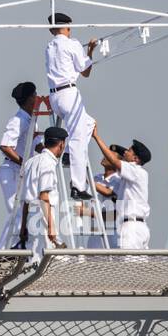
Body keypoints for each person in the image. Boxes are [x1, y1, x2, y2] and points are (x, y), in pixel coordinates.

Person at [44, 13, 98, 200]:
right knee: (78, 139)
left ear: (51, 29)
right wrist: (90, 51)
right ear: (68, 27)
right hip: (69, 93)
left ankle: (67, 155)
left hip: (55, 97)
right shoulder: (72, 44)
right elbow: (85, 71)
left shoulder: (50, 47)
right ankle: (77, 185)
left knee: (89, 123)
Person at [91, 126, 152, 249]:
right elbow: (108, 191)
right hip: (138, 227)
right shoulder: (131, 176)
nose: (125, 152)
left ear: (135, 159)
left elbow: (115, 161)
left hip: (131, 227)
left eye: (129, 151)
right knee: (139, 267)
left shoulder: (136, 170)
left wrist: (96, 137)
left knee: (127, 267)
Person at [0, 81, 39, 247]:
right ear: (30, 99)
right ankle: (0, 255)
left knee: (26, 214)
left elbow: (36, 142)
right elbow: (5, 146)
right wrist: (24, 163)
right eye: (35, 95)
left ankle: (13, 248)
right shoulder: (18, 120)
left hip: (21, 173)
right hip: (11, 171)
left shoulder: (32, 119)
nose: (38, 98)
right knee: (17, 214)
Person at [19, 126, 67, 263]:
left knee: (35, 257)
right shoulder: (48, 163)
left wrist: (23, 227)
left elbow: (25, 199)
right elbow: (44, 197)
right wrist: (52, 227)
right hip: (44, 216)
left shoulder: (30, 162)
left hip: (31, 215)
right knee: (44, 262)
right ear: (61, 144)